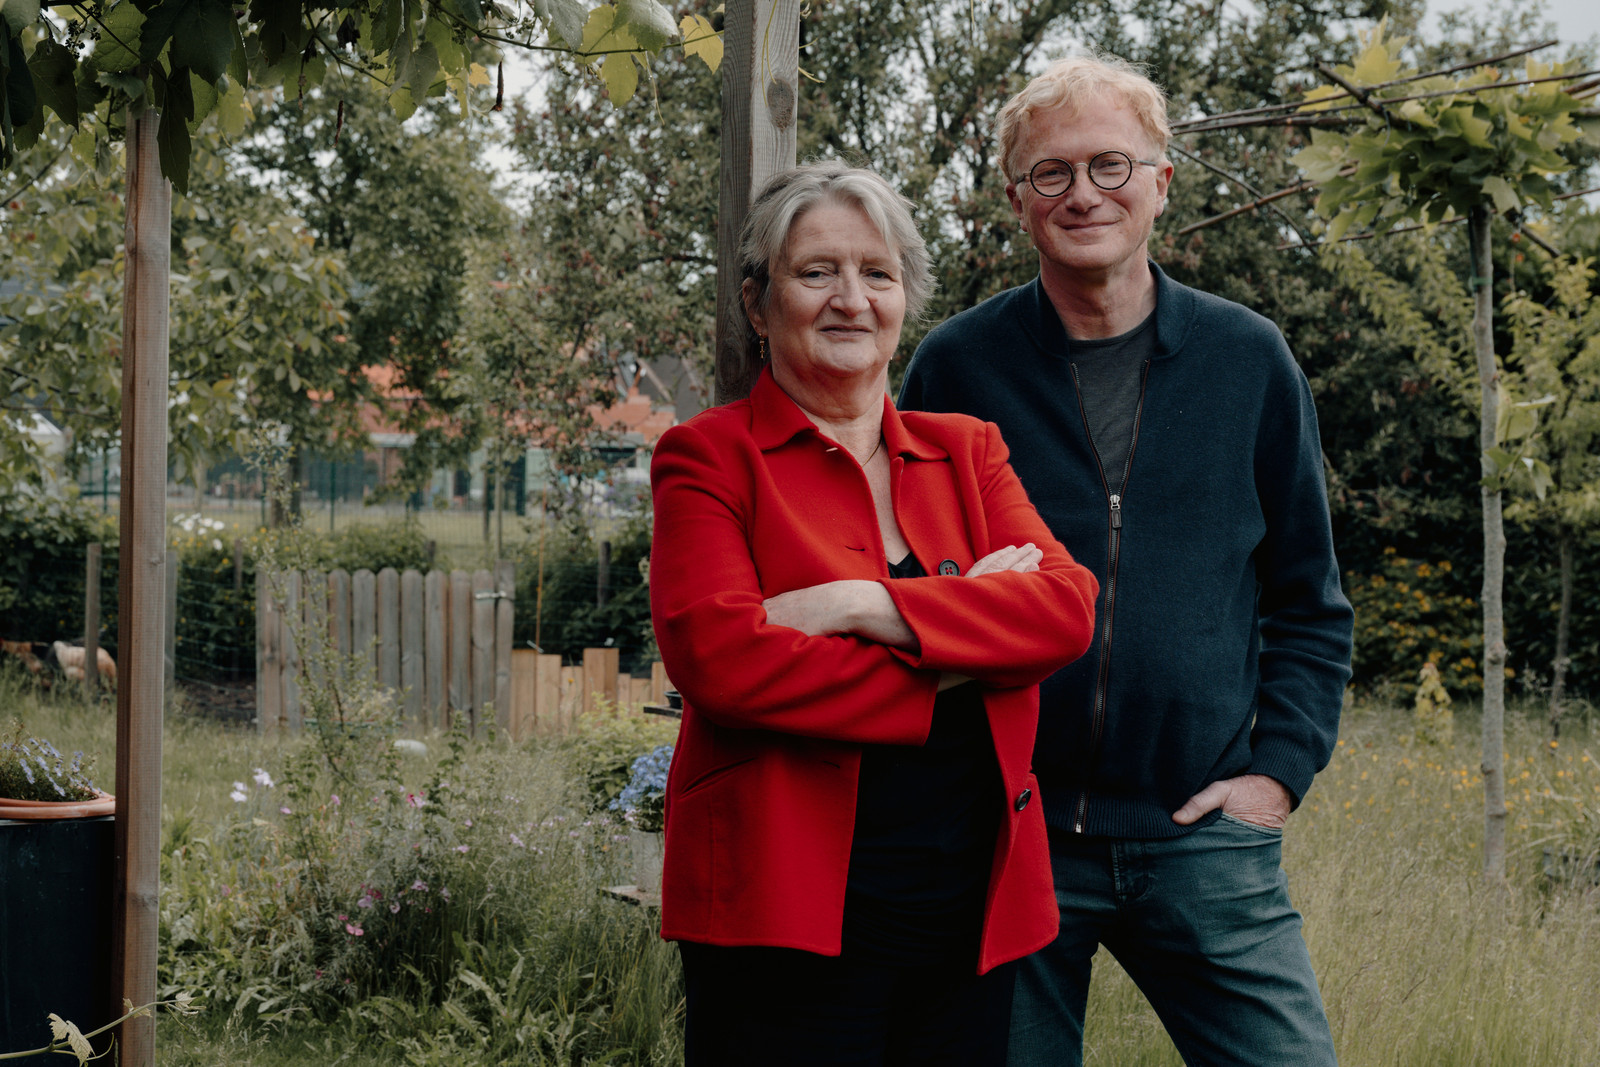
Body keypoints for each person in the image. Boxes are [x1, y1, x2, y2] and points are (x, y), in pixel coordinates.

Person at [898, 55, 1355, 1067]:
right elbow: (915, 592)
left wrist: (1274, 776)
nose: (1082, 194)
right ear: (1016, 200)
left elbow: (1309, 602)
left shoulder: (1249, 360)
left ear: (1161, 181)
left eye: (1110, 164)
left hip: (1204, 835)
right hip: (1009, 835)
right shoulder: (957, 367)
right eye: (1050, 172)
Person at [649, 161, 1100, 1067]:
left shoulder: (967, 449)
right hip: (782, 910)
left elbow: (1065, 609)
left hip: (968, 904)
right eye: (817, 272)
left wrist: (860, 604)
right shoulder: (706, 458)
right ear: (756, 301)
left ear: (904, 299)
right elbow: (726, 661)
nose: (850, 299)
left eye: (878, 273)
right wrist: (965, 644)